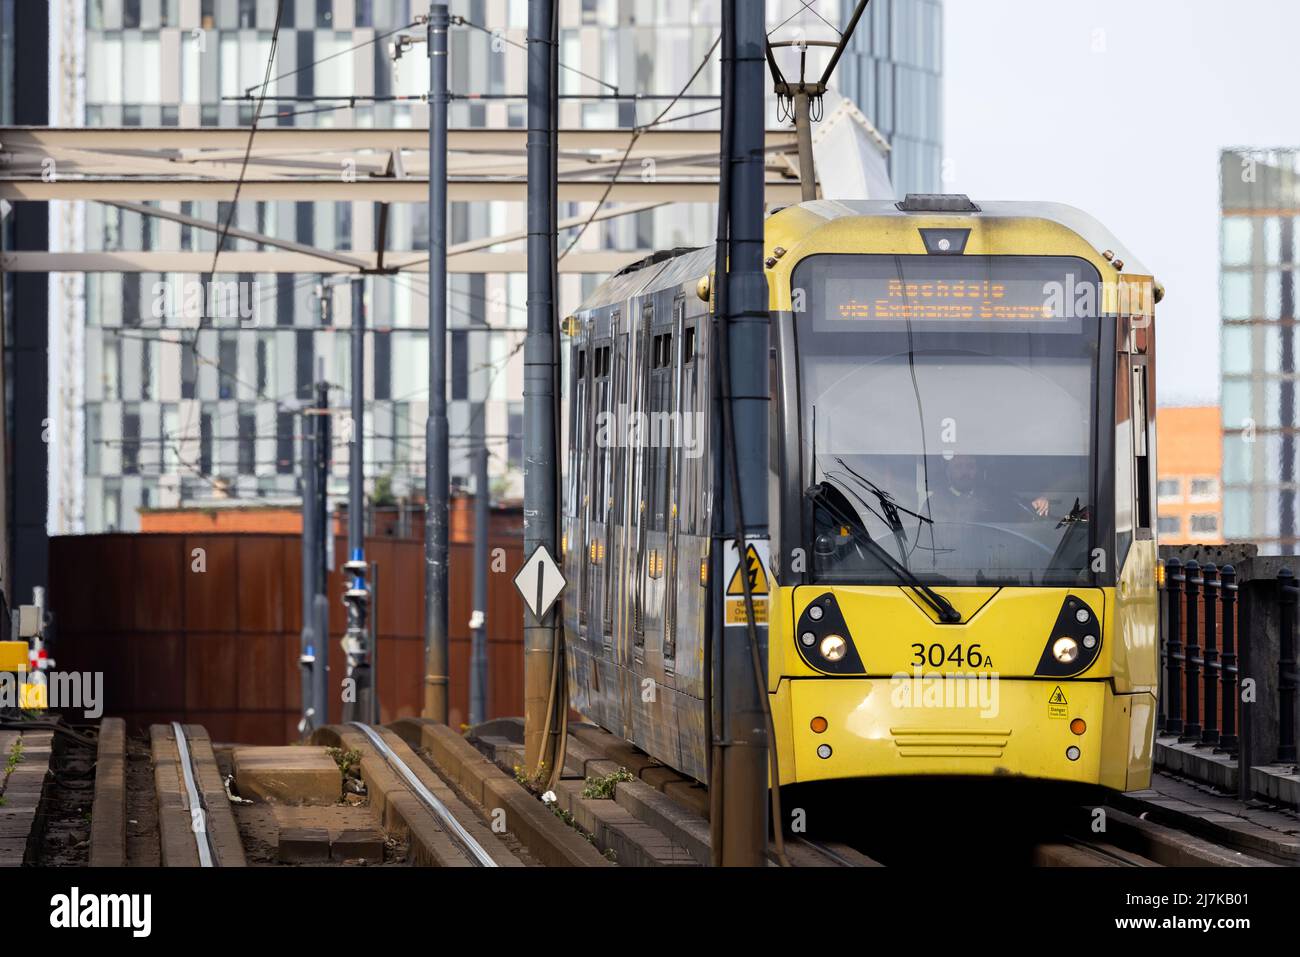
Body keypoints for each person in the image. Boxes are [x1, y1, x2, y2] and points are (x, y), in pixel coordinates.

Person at [926, 454, 1050, 524]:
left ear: (977, 471)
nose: (965, 472)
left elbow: (1020, 512)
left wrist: (1037, 502)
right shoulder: (935, 502)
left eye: (970, 466)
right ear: (948, 472)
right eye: (958, 467)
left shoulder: (994, 497)